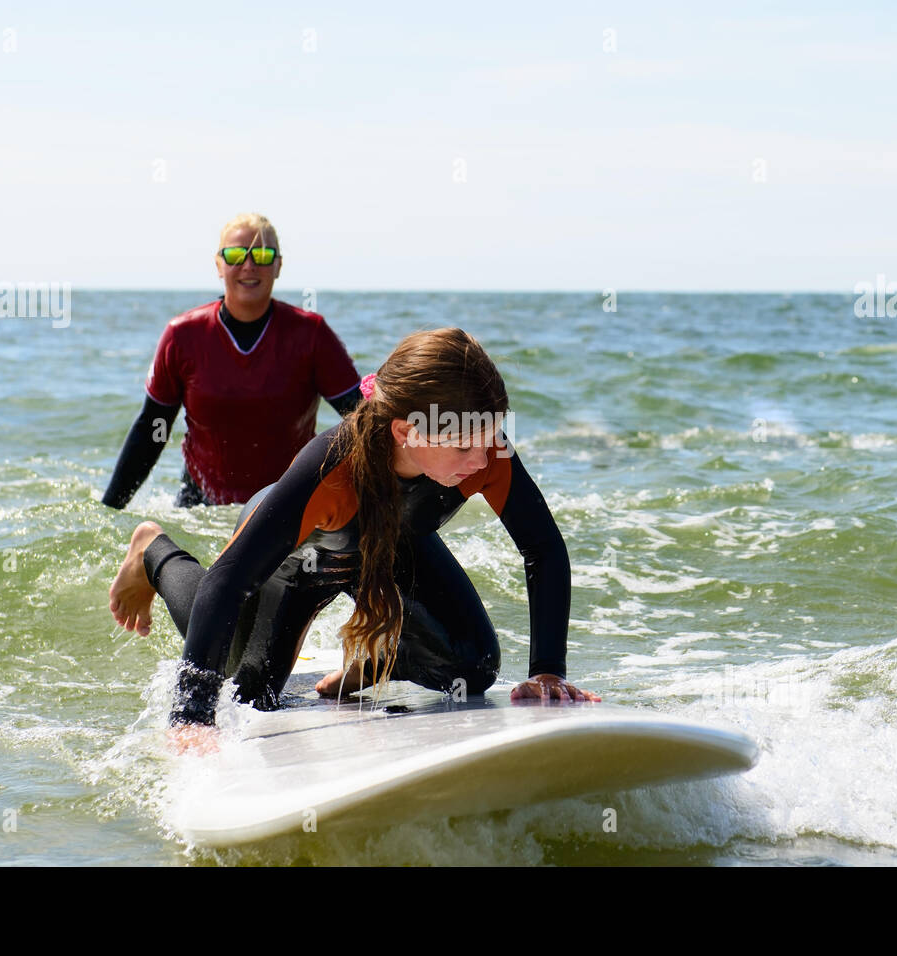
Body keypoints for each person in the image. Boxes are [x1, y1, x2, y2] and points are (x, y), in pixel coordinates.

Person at [107, 327, 600, 753]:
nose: (483, 456)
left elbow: (543, 548)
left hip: (393, 546)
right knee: (246, 688)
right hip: (296, 564)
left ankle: (372, 664)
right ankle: (155, 552)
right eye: (466, 445)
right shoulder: (331, 469)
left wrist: (548, 671)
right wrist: (190, 718)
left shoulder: (483, 448)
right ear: (408, 432)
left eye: (491, 434)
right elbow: (229, 582)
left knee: (473, 666)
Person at [102, 212, 362, 509]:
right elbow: (152, 428)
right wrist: (110, 511)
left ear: (278, 266)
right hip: (201, 507)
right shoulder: (182, 335)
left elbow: (361, 419)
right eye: (236, 254)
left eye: (263, 255)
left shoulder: (312, 334)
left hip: (284, 505)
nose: (249, 265)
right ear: (218, 264)